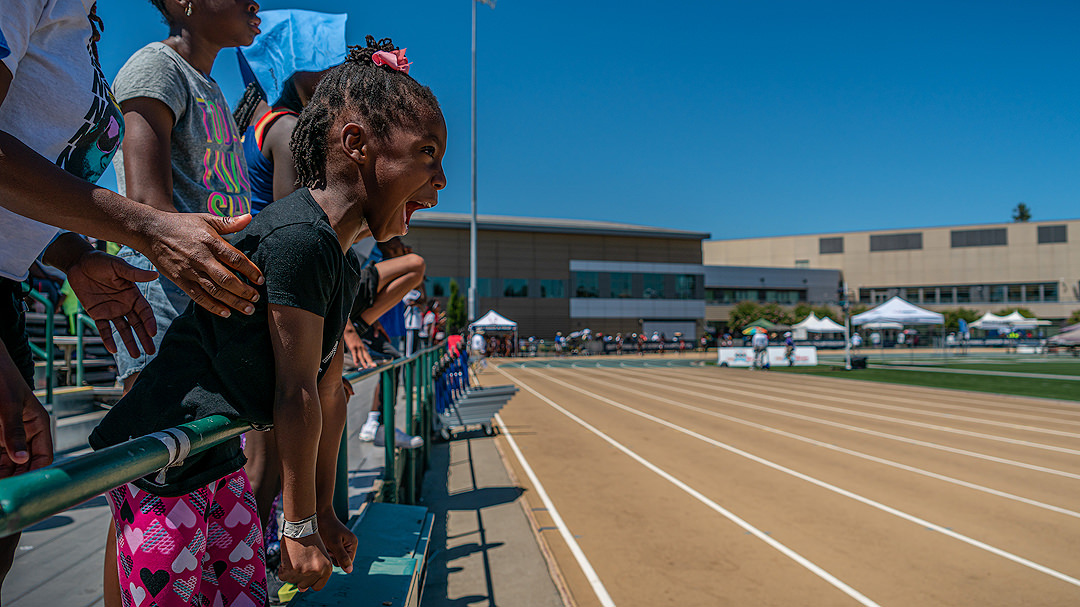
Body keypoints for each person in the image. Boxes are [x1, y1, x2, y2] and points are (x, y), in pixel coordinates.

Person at [90, 36, 446, 606]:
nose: (441, 179)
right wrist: (299, 525)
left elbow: (331, 394)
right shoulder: (299, 238)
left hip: (217, 457)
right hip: (161, 460)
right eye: (428, 153)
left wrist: (323, 511)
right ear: (355, 143)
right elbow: (295, 392)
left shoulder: (340, 260)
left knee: (244, 596)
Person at [0, 1, 265, 597]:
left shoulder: (96, 31)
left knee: (186, 500)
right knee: (153, 510)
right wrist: (152, 236)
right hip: (166, 321)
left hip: (22, 287)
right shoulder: (153, 67)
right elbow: (148, 200)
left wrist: (68, 254)